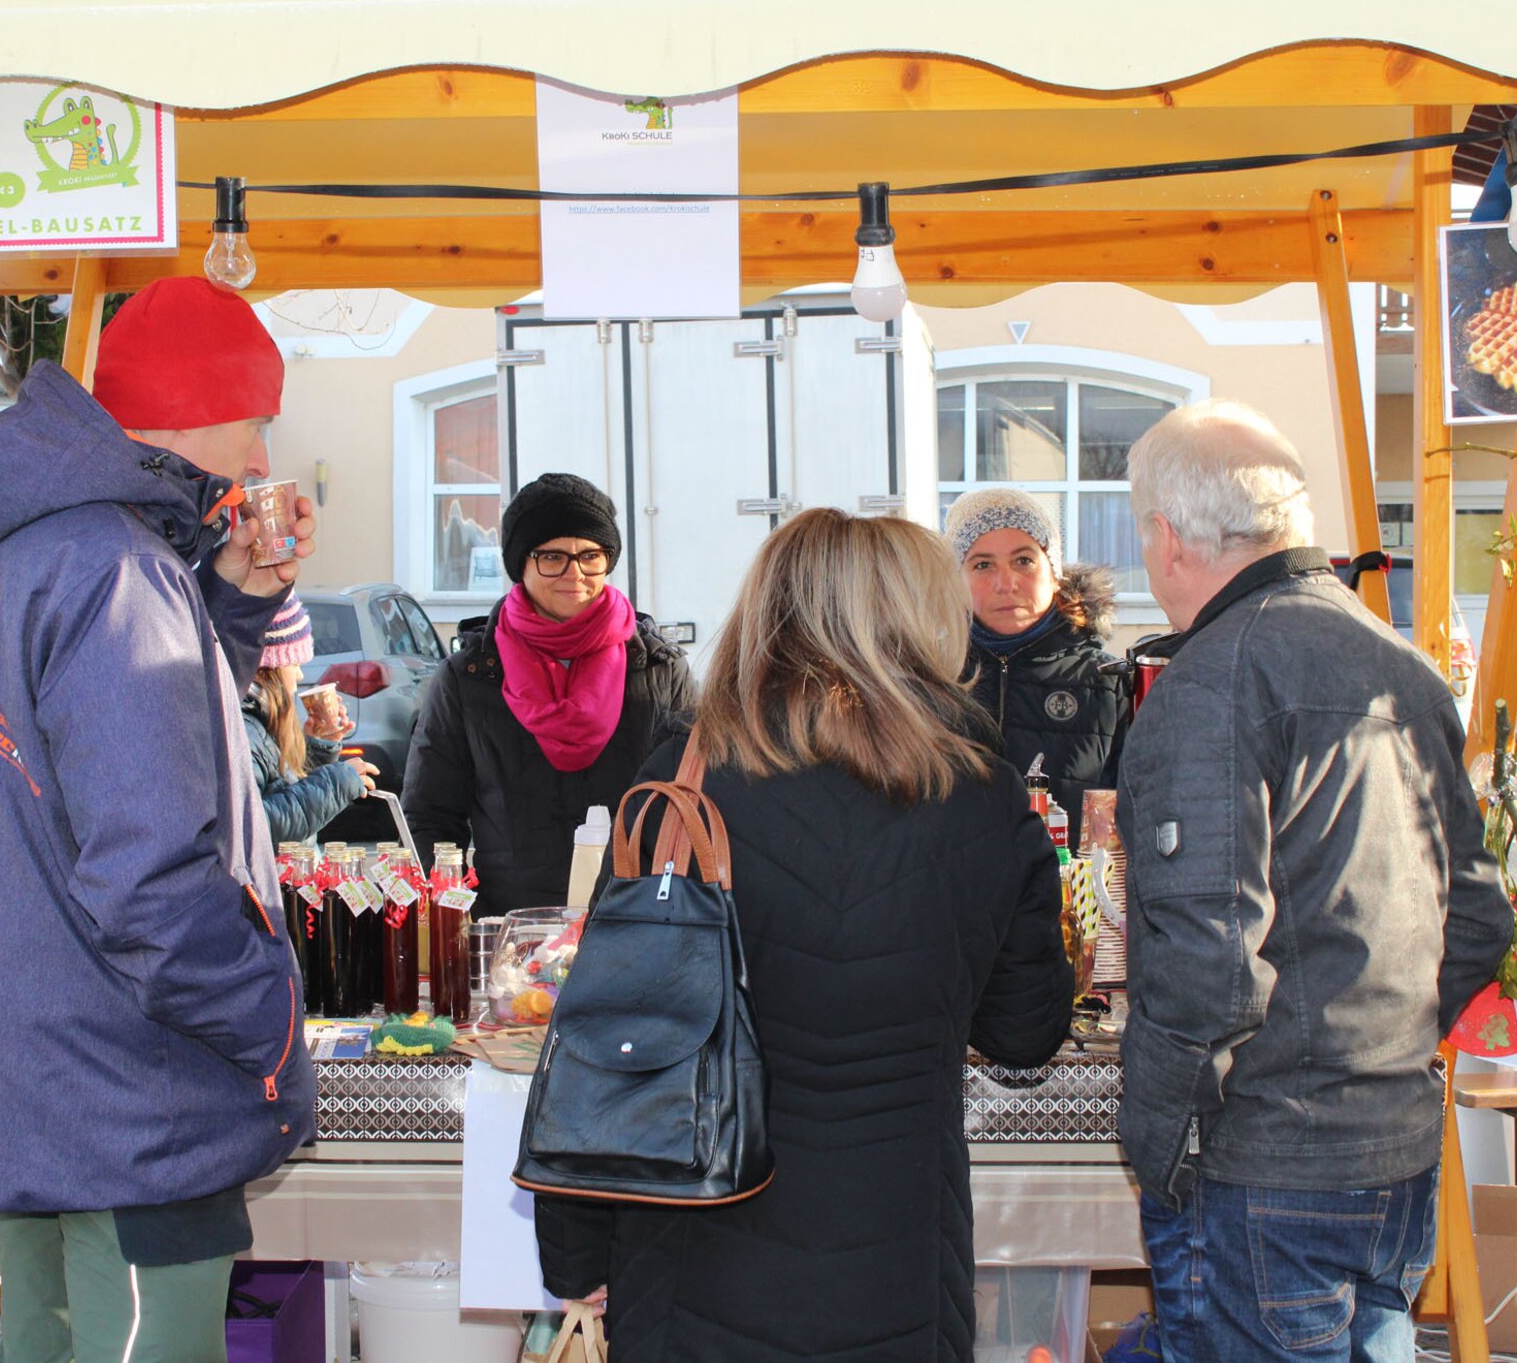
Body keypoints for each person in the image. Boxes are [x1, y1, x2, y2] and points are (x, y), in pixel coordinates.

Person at [535, 508, 1073, 1361]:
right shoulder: (987, 796)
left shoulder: (687, 781)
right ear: (924, 618)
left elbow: (607, 1033)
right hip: (900, 1269)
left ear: (770, 614)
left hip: (695, 1259)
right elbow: (1024, 1033)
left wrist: (573, 1254)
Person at [0, 277, 318, 1363]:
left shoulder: (11, 542)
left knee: (50, 1343)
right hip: (133, 1089)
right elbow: (152, 873)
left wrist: (225, 603)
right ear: (206, 408)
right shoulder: (117, 568)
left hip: (37, 1066)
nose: (255, 452)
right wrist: (269, 1031)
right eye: (256, 417)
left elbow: (104, 747)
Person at [1114, 399, 1515, 1363]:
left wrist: (1156, 1144)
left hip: (1267, 1169)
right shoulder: (1399, 662)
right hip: (1394, 1148)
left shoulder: (1210, 685)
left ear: (1169, 538)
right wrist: (1382, 1052)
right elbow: (1479, 918)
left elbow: (1209, 971)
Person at [404, 472, 694, 915]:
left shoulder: (659, 669)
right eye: (552, 556)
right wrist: (464, 919)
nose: (574, 573)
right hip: (510, 932)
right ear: (521, 563)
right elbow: (430, 820)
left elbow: (694, 799)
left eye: (590, 555)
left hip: (637, 921)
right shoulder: (469, 678)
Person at [945, 486, 1131, 843]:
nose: (1006, 583)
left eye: (1023, 560)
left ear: (1054, 570)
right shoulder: (929, 682)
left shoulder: (1111, 686)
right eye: (983, 565)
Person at [242, 591, 377, 847]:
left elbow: (279, 788)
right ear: (268, 669)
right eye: (294, 664)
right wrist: (336, 783)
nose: (300, 674)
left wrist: (319, 748)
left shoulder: (256, 720)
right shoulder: (244, 727)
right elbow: (257, 825)